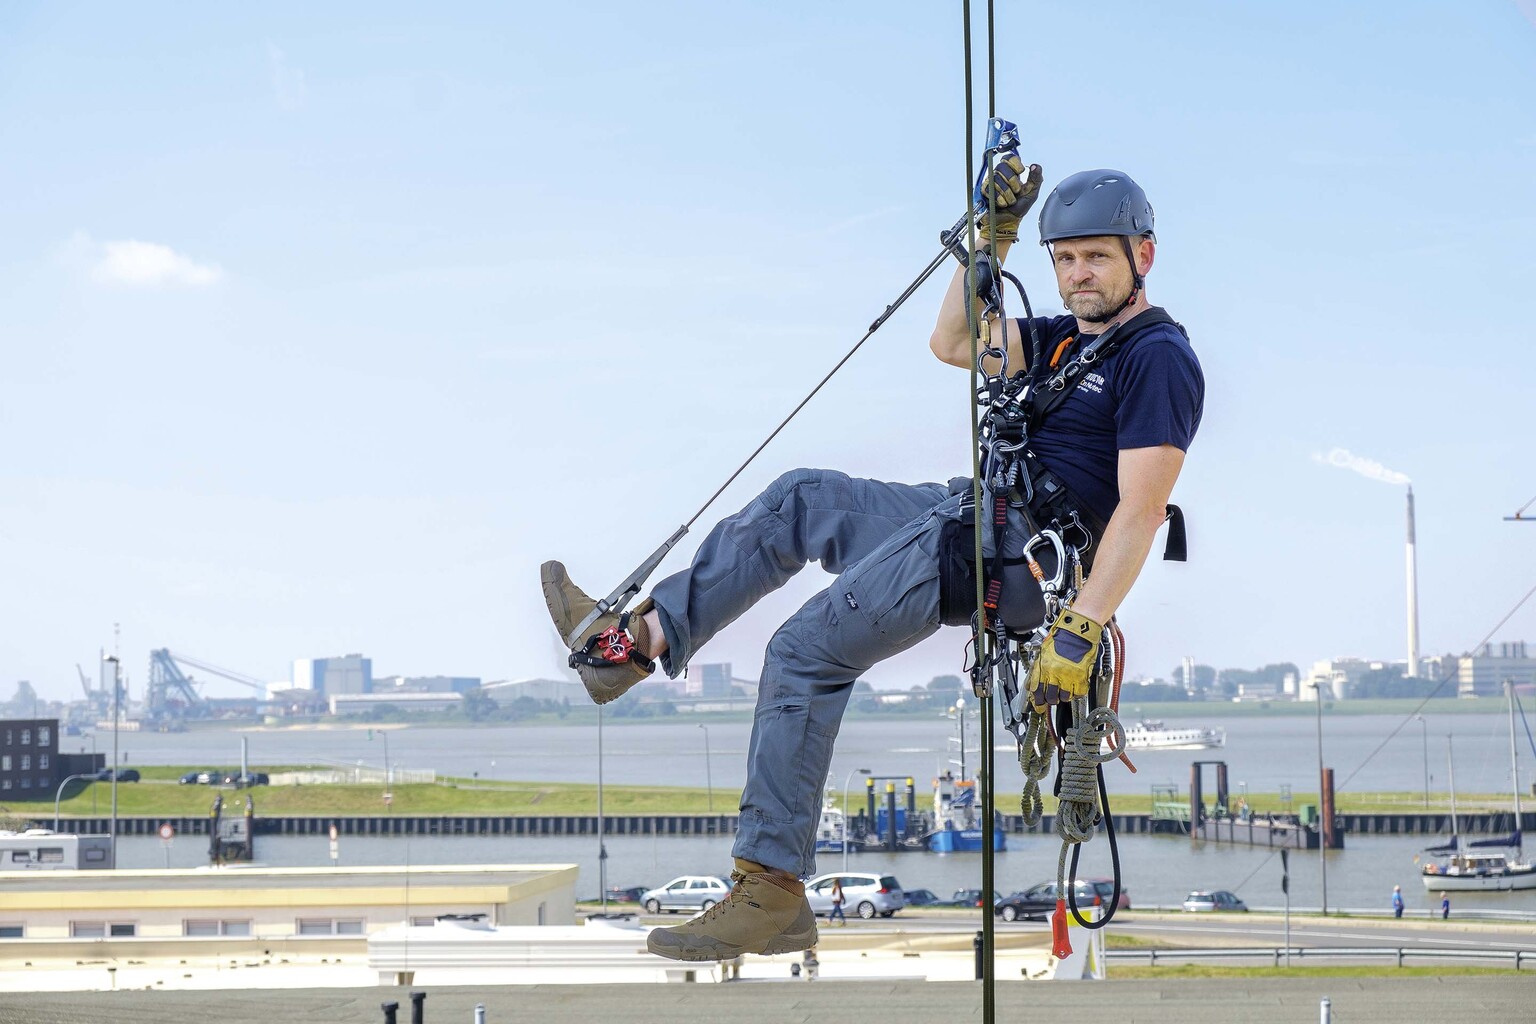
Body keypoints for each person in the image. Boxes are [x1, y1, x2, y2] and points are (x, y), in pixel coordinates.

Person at [542, 160, 1204, 963]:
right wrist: (985, 240)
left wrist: (1081, 631)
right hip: (974, 511)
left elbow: (1138, 510)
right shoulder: (1062, 341)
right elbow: (952, 340)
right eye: (1062, 259)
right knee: (801, 499)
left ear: (1144, 255)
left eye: (1094, 257)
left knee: (802, 654)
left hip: (1003, 552)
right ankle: (630, 646)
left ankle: (772, 888)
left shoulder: (1156, 357)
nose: (1074, 275)